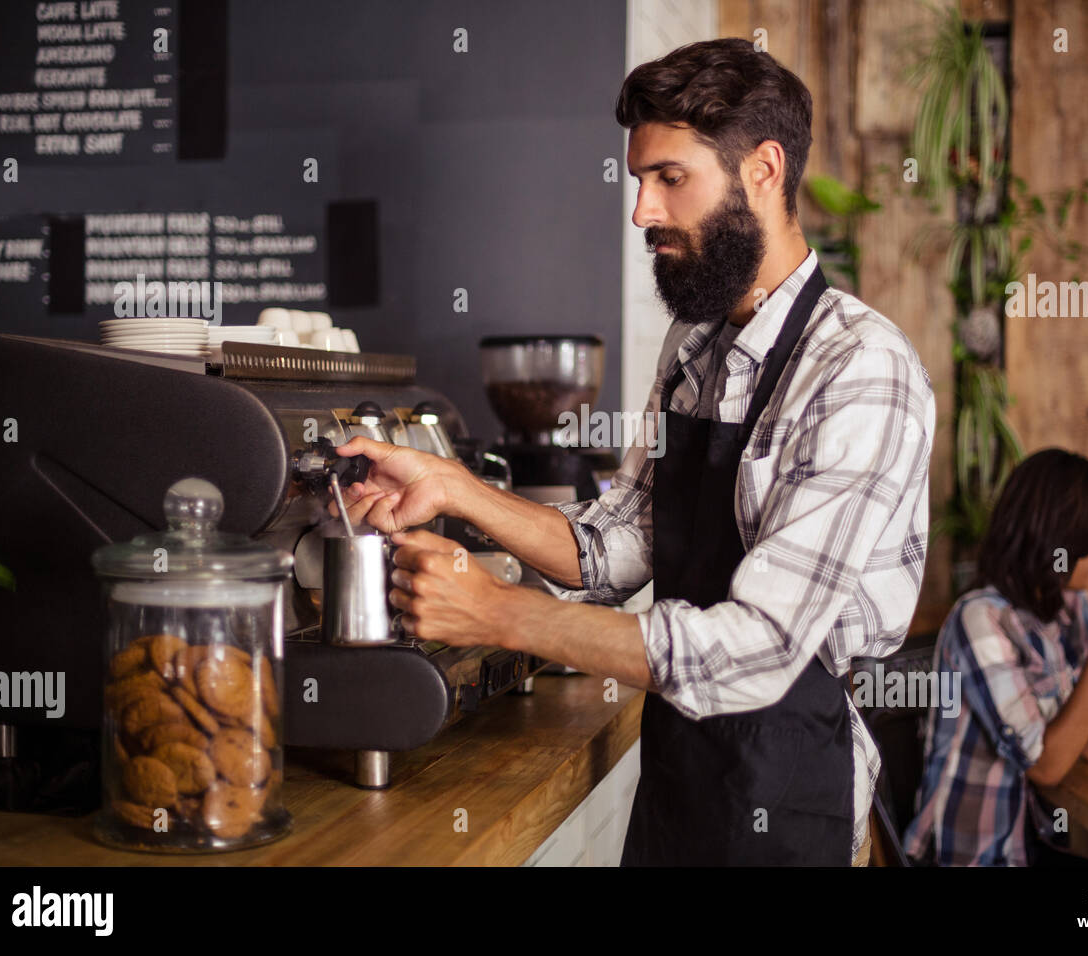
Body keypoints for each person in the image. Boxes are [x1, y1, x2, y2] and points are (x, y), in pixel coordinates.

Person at [330, 38, 935, 866]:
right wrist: (453, 486)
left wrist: (502, 614)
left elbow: (756, 651)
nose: (642, 211)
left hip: (791, 799)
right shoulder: (694, 347)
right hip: (678, 788)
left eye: (670, 179)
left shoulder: (860, 369)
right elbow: (619, 546)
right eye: (639, 179)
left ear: (764, 170)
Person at [903, 449, 1088, 866]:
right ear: (1060, 541)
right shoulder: (981, 618)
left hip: (1037, 843)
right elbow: (1048, 766)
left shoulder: (1073, 609)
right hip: (975, 855)